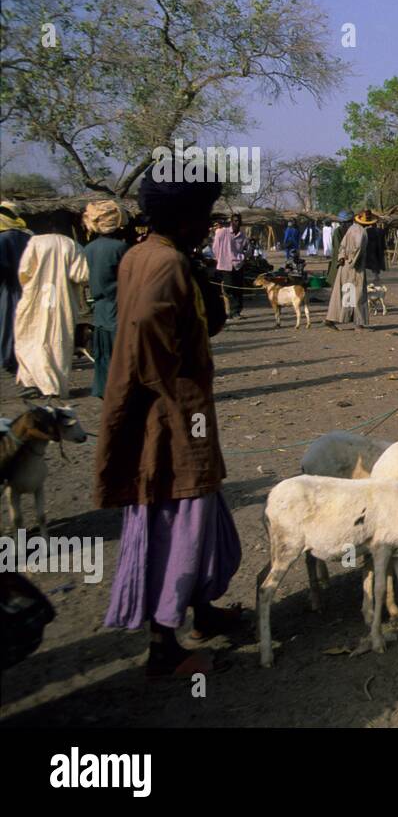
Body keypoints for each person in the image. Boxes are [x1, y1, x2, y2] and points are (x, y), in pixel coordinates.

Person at [98, 159, 243, 679]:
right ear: (185, 218)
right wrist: (173, 412)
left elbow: (206, 322)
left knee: (202, 516)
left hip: (184, 417)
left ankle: (202, 612)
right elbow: (146, 349)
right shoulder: (165, 266)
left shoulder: (155, 256)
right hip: (170, 423)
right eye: (203, 215)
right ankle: (165, 644)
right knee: (174, 525)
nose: (209, 225)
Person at [14, 232, 90, 400]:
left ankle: (32, 382)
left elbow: (25, 271)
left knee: (29, 338)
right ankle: (52, 386)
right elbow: (80, 275)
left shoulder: (35, 241)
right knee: (58, 340)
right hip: (62, 301)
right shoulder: (72, 245)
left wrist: (33, 285)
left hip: (34, 298)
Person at [82, 200, 130, 399]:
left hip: (100, 310)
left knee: (103, 356)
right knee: (122, 356)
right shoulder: (121, 248)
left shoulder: (89, 249)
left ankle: (104, 390)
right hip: (118, 308)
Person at [0, 201, 32, 377]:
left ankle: (8, 359)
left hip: (9, 288)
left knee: (7, 323)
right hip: (27, 288)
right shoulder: (28, 237)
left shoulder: (3, 239)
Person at [325, 210, 369, 329]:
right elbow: (358, 249)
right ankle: (359, 323)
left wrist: (342, 258)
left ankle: (332, 319)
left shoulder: (350, 230)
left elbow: (342, 247)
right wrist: (352, 261)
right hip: (354, 268)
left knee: (343, 293)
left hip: (344, 266)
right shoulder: (361, 232)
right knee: (358, 294)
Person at [211, 213, 249, 320]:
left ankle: (236, 312)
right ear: (231, 222)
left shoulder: (242, 235)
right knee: (229, 288)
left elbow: (248, 249)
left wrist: (243, 257)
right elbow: (215, 248)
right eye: (235, 221)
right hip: (225, 265)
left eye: (238, 221)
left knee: (238, 288)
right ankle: (230, 311)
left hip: (238, 265)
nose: (237, 223)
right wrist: (220, 258)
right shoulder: (222, 232)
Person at [358, 209, 385, 285]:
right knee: (375, 263)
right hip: (377, 249)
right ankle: (376, 276)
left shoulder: (366, 231)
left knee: (367, 263)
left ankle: (371, 276)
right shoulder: (380, 231)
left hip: (370, 249)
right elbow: (383, 241)